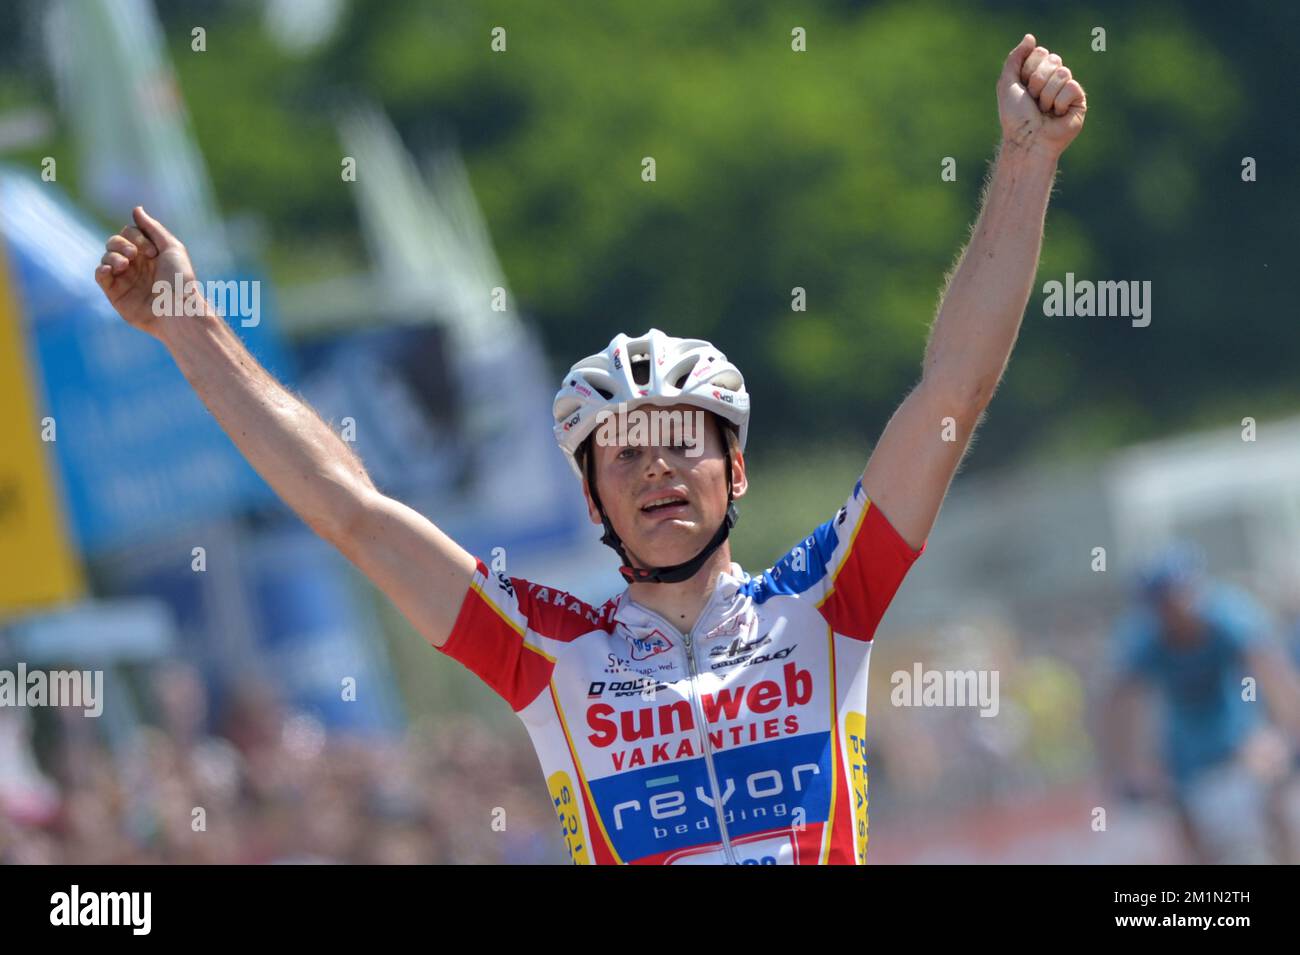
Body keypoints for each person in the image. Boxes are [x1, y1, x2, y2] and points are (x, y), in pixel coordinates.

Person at [95, 34, 1087, 863]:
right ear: (592, 500)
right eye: (623, 455)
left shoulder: (826, 601)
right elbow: (351, 512)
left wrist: (1025, 160)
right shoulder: (548, 652)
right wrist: (190, 323)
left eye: (680, 443)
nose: (655, 467)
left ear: (736, 470)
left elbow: (953, 390)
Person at [1102, 544, 1300, 863]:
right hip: (1184, 738)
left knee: (1272, 796)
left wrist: (1283, 736)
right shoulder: (1141, 640)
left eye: (1180, 596)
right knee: (1185, 821)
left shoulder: (1230, 617)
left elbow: (1274, 678)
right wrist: (1125, 768)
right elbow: (1121, 707)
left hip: (1237, 720)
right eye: (1163, 604)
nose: (1175, 610)